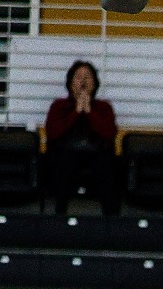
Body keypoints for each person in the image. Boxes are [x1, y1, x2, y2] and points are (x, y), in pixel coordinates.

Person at [45, 60, 121, 217]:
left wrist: (89, 111)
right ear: (70, 82)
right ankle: (59, 214)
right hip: (66, 152)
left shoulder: (103, 107)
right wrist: (76, 112)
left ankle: (111, 218)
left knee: (106, 165)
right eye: (79, 77)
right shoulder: (59, 106)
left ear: (95, 83)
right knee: (64, 162)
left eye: (88, 77)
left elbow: (109, 133)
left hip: (96, 153)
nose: (83, 81)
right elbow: (53, 133)